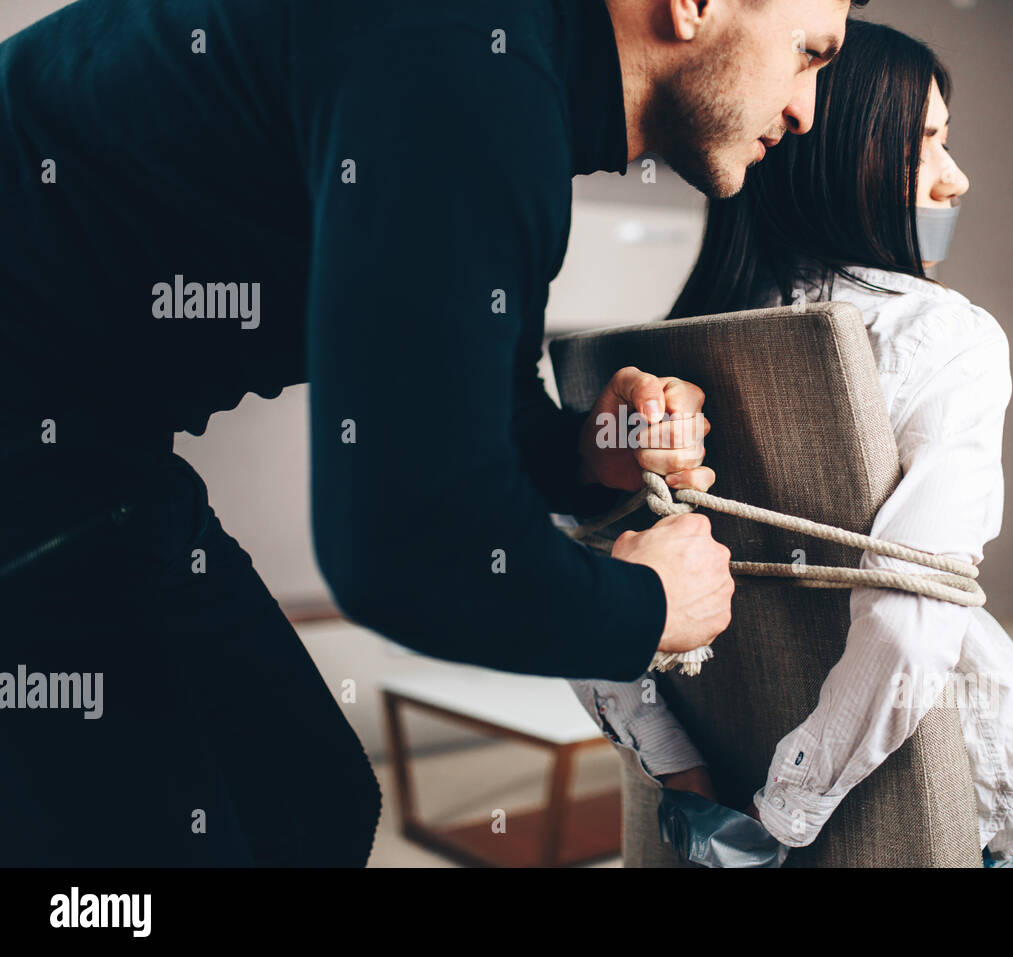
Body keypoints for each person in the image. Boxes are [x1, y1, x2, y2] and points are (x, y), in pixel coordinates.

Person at [0, 0, 862, 865]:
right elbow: (406, 549)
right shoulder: (469, 66)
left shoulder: (506, 76)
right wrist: (642, 607)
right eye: (808, 54)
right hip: (43, 457)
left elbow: (474, 418)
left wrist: (590, 451)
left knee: (308, 799)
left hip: (93, 444)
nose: (805, 110)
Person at [570, 19, 1013, 868]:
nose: (957, 179)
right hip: (931, 812)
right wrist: (783, 819)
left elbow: (580, 595)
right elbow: (907, 632)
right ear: (847, 154)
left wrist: (685, 777)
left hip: (720, 791)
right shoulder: (943, 338)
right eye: (929, 145)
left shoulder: (655, 357)